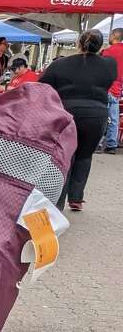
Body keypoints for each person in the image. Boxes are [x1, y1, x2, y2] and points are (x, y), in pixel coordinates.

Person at [40, 29, 116, 212]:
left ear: (78, 44)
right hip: (96, 113)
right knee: (84, 155)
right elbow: (111, 80)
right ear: (100, 46)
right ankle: (76, 198)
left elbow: (43, 85)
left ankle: (57, 199)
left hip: (66, 112)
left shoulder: (60, 64)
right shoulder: (109, 64)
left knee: (64, 156)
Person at [99, 27, 123, 153]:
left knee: (101, 116)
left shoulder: (107, 51)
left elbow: (100, 69)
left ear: (114, 36)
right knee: (114, 119)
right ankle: (111, 145)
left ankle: (97, 143)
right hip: (117, 89)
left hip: (105, 87)